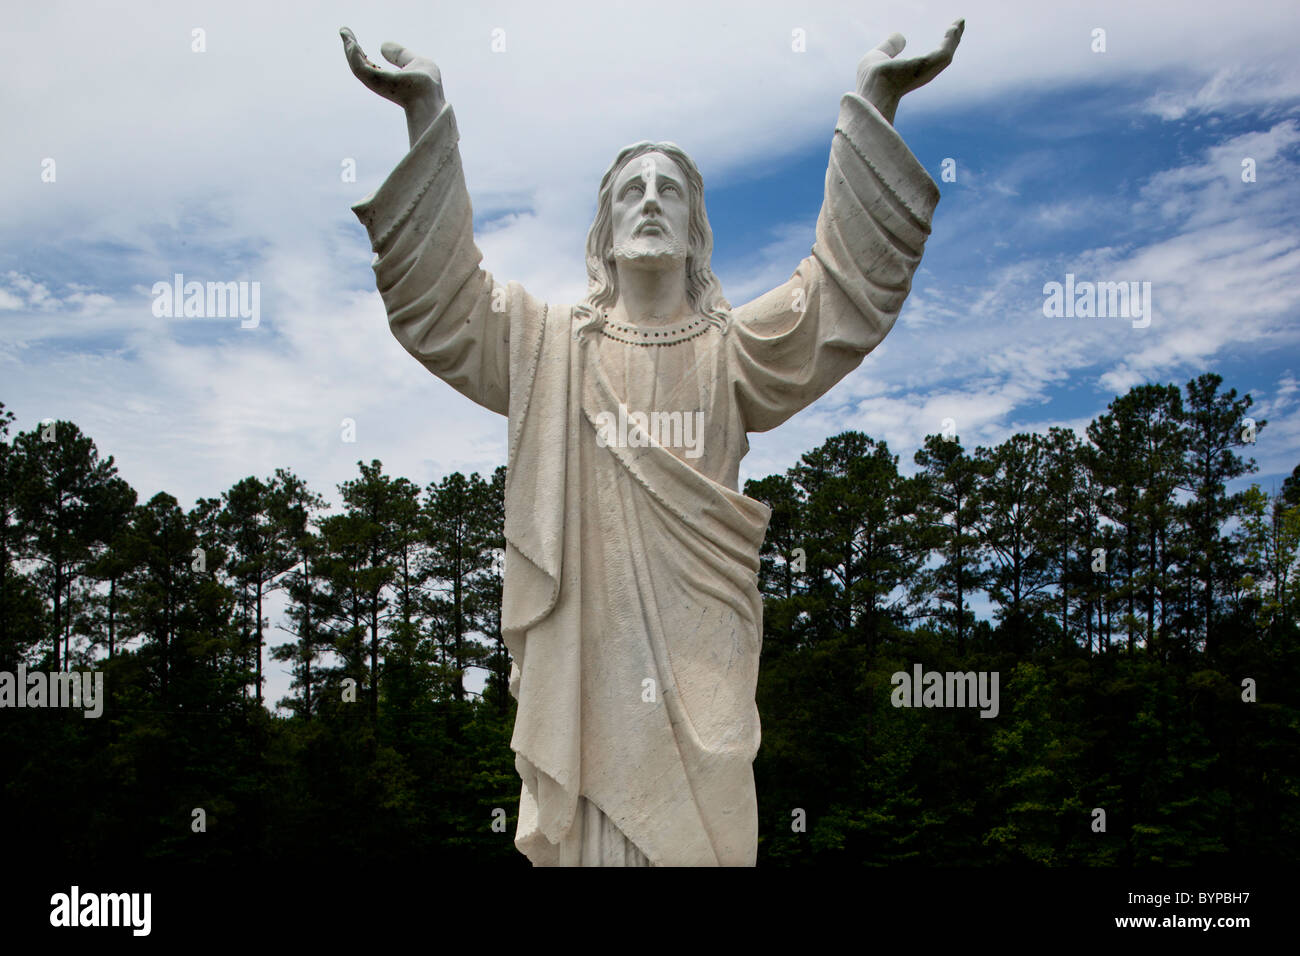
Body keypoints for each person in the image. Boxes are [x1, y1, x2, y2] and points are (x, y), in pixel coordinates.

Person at [341, 19, 963, 866]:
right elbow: (443, 305)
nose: (649, 201)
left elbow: (840, 297)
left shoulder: (735, 348)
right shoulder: (546, 349)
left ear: (696, 228)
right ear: (603, 230)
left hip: (704, 677)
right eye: (630, 190)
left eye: (670, 190)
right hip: (589, 685)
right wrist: (427, 116)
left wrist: (874, 106)